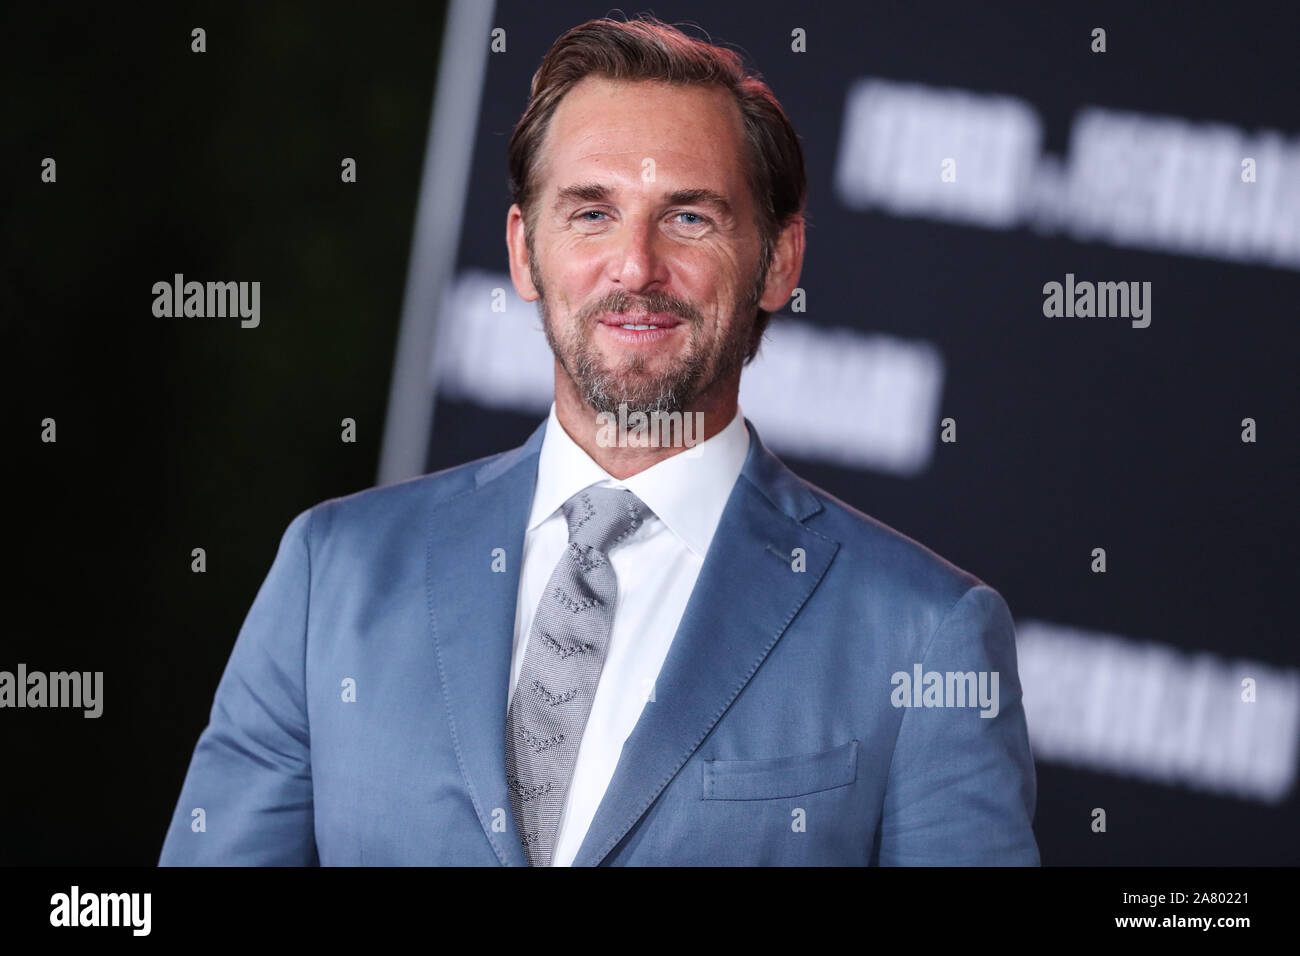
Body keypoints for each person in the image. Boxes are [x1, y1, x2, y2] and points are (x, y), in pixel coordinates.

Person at [159, 15, 1039, 866]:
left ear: (778, 261)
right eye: (591, 214)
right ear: (523, 250)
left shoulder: (924, 637)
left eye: (689, 217)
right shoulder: (332, 574)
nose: (635, 267)